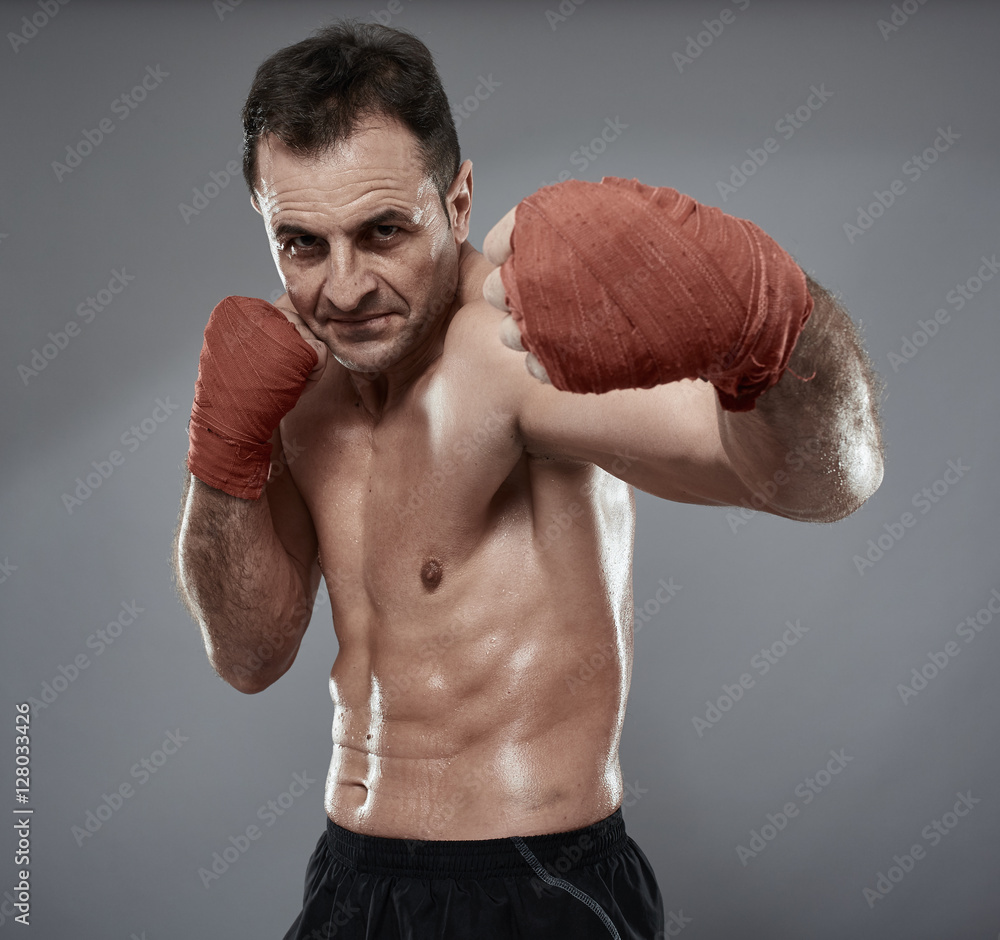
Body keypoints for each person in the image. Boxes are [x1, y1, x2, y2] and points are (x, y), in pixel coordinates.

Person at [172, 20, 884, 940]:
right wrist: (221, 459)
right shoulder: (290, 378)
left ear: (459, 201)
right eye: (301, 244)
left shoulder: (512, 344)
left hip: (532, 889)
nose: (341, 289)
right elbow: (249, 656)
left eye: (382, 231)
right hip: (352, 880)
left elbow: (825, 481)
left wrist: (771, 314)